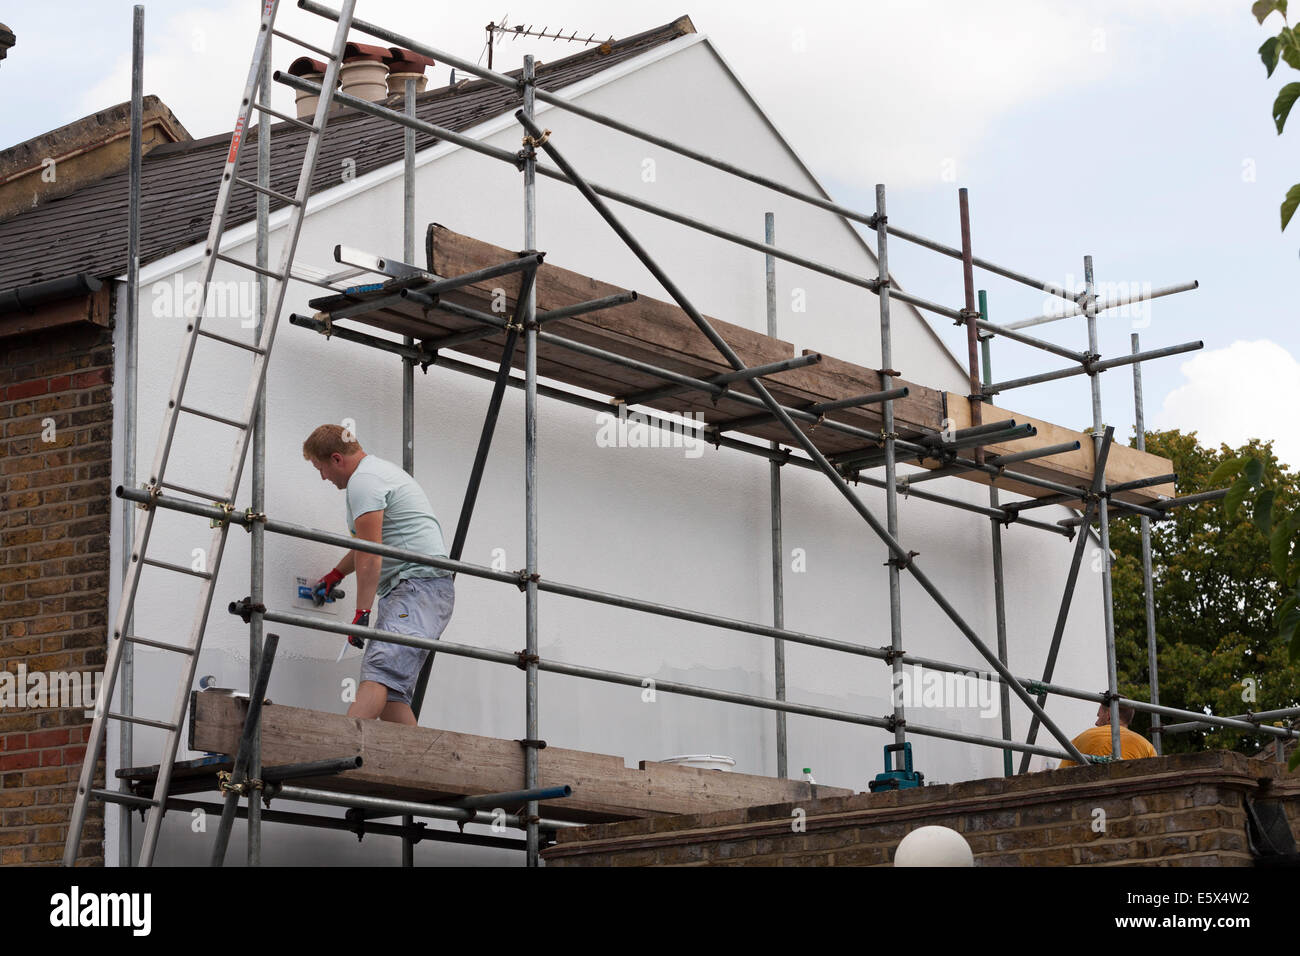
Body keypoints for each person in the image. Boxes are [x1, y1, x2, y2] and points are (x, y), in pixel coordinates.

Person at [302, 423, 454, 725]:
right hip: (421, 590)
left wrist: (361, 614)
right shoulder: (375, 473)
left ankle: (340, 751)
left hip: (416, 588)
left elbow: (371, 555)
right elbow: (366, 543)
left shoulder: (364, 482)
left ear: (336, 459)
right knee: (392, 694)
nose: (323, 477)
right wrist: (336, 574)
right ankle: (417, 770)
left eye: (321, 468)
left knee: (378, 672)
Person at [1056, 702, 1157, 768]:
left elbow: (1059, 777)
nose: (1096, 722)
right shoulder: (1147, 746)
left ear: (1109, 715)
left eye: (1099, 716)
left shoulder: (1080, 739)